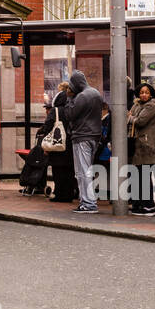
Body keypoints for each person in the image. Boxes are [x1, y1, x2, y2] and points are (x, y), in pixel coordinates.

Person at [61, 71, 104, 214]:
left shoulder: (81, 96)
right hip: (95, 136)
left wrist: (68, 98)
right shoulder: (96, 93)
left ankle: (88, 203)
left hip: (82, 136)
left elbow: (69, 115)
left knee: (82, 171)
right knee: (87, 170)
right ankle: (87, 201)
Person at [127, 82, 155, 215]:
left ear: (151, 94)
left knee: (144, 175)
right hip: (138, 145)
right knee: (137, 175)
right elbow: (134, 118)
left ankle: (149, 206)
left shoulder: (151, 106)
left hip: (147, 145)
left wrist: (130, 117)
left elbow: (140, 121)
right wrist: (132, 117)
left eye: (147, 92)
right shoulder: (137, 105)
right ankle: (138, 204)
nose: (144, 95)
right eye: (142, 92)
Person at [44, 83, 77, 203]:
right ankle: (69, 194)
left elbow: (48, 127)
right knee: (69, 170)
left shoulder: (55, 111)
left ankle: (59, 193)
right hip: (71, 144)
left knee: (58, 170)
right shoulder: (72, 110)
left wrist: (45, 144)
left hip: (58, 144)